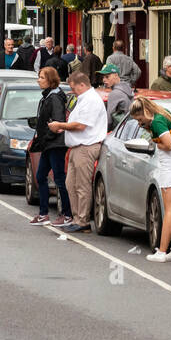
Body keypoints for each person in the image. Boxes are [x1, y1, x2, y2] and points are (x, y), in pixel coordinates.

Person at [124, 97, 171, 262]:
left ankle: (161, 252)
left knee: (169, 209)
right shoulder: (163, 114)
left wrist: (156, 144)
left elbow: (169, 145)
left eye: (140, 119)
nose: (140, 123)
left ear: (145, 112)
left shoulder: (157, 122)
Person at [45, 72, 107, 234]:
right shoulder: (84, 99)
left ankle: (83, 221)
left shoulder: (92, 100)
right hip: (77, 147)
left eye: (74, 88)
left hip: (86, 147)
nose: (73, 91)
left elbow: (81, 125)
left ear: (82, 85)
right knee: (70, 184)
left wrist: (61, 125)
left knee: (81, 185)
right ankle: (77, 218)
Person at [30, 66, 73, 228]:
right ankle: (43, 213)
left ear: (50, 80)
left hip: (56, 143)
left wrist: (46, 137)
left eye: (41, 77)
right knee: (41, 176)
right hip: (49, 144)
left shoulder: (54, 98)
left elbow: (58, 122)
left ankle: (67, 214)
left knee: (59, 178)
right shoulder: (49, 96)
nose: (38, 80)